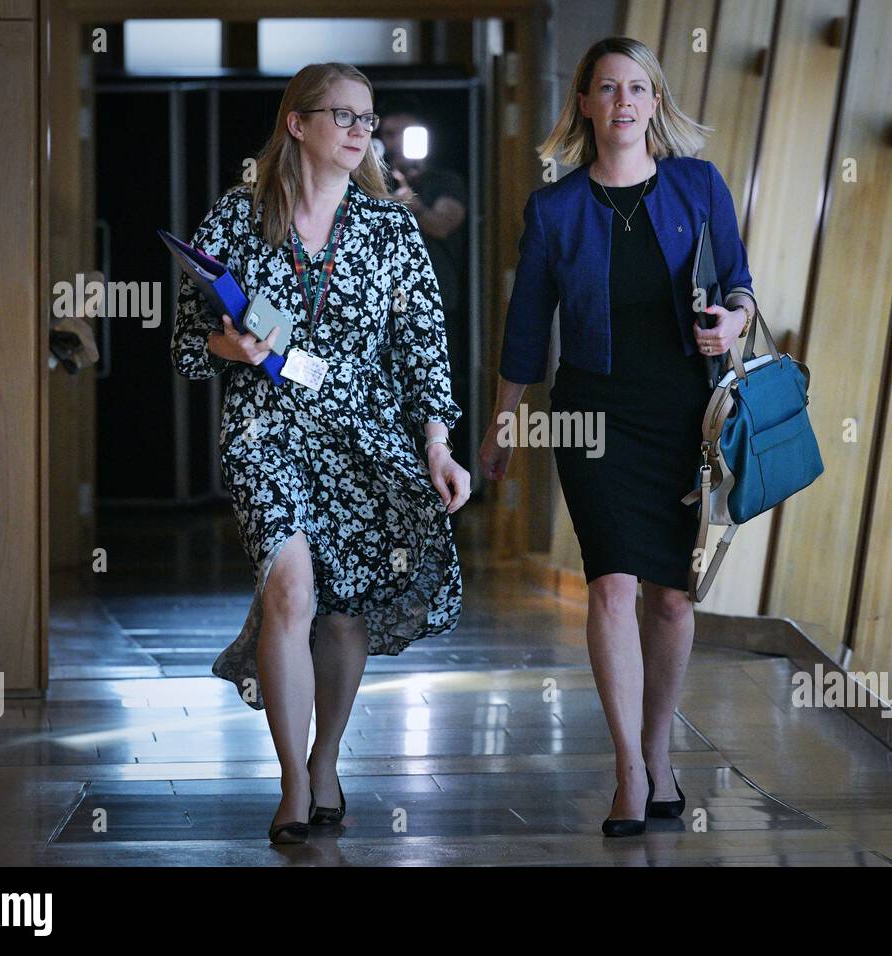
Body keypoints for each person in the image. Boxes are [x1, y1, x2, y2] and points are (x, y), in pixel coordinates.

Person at [170, 62, 471, 845]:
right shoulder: (237, 220)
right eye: (341, 115)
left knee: (342, 613)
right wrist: (232, 347)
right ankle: (293, 782)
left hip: (362, 438)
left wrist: (438, 443)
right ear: (296, 124)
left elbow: (423, 352)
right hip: (265, 432)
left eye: (366, 119)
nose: (357, 130)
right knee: (289, 590)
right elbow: (183, 347)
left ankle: (327, 756)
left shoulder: (391, 229)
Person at [478, 36, 760, 837]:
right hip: (593, 417)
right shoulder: (556, 209)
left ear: (656, 103)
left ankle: (659, 751)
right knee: (612, 585)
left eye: (638, 88)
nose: (624, 102)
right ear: (586, 107)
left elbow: (739, 282)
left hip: (686, 416)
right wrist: (503, 424)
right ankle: (629, 772)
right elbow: (527, 328)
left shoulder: (699, 186)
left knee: (671, 598)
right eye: (608, 88)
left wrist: (731, 323)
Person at [377, 96, 472, 472]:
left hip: (441, 308)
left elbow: (444, 223)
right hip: (383, 312)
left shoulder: (444, 181)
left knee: (440, 397)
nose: (398, 142)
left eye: (406, 134)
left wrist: (410, 201)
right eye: (388, 134)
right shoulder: (371, 183)